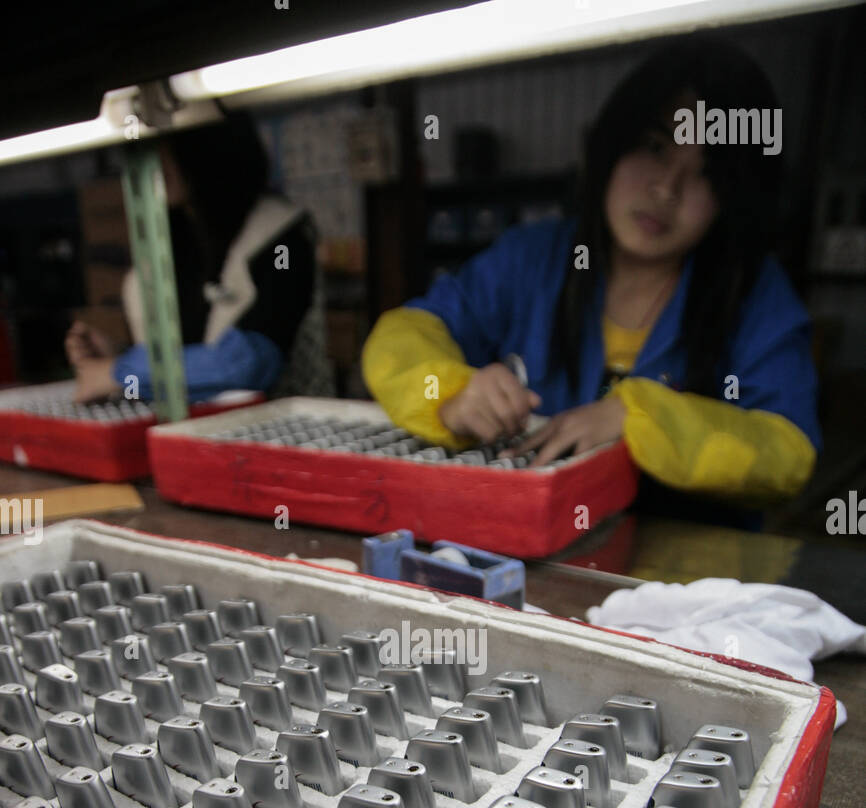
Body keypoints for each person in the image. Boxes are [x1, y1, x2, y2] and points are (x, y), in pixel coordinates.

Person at [361, 35, 820, 514]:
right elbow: (403, 334)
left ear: (734, 196)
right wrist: (451, 390)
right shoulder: (532, 257)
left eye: (707, 172)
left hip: (683, 579)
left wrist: (643, 420)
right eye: (655, 147)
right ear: (609, 146)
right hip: (526, 546)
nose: (667, 188)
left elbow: (788, 451)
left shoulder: (752, 291)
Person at [67, 112, 334, 404]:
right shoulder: (173, 241)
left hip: (280, 436)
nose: (155, 161)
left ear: (209, 148)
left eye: (168, 146)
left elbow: (253, 365)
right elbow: (190, 356)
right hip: (197, 435)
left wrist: (118, 371)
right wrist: (121, 357)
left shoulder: (282, 243)